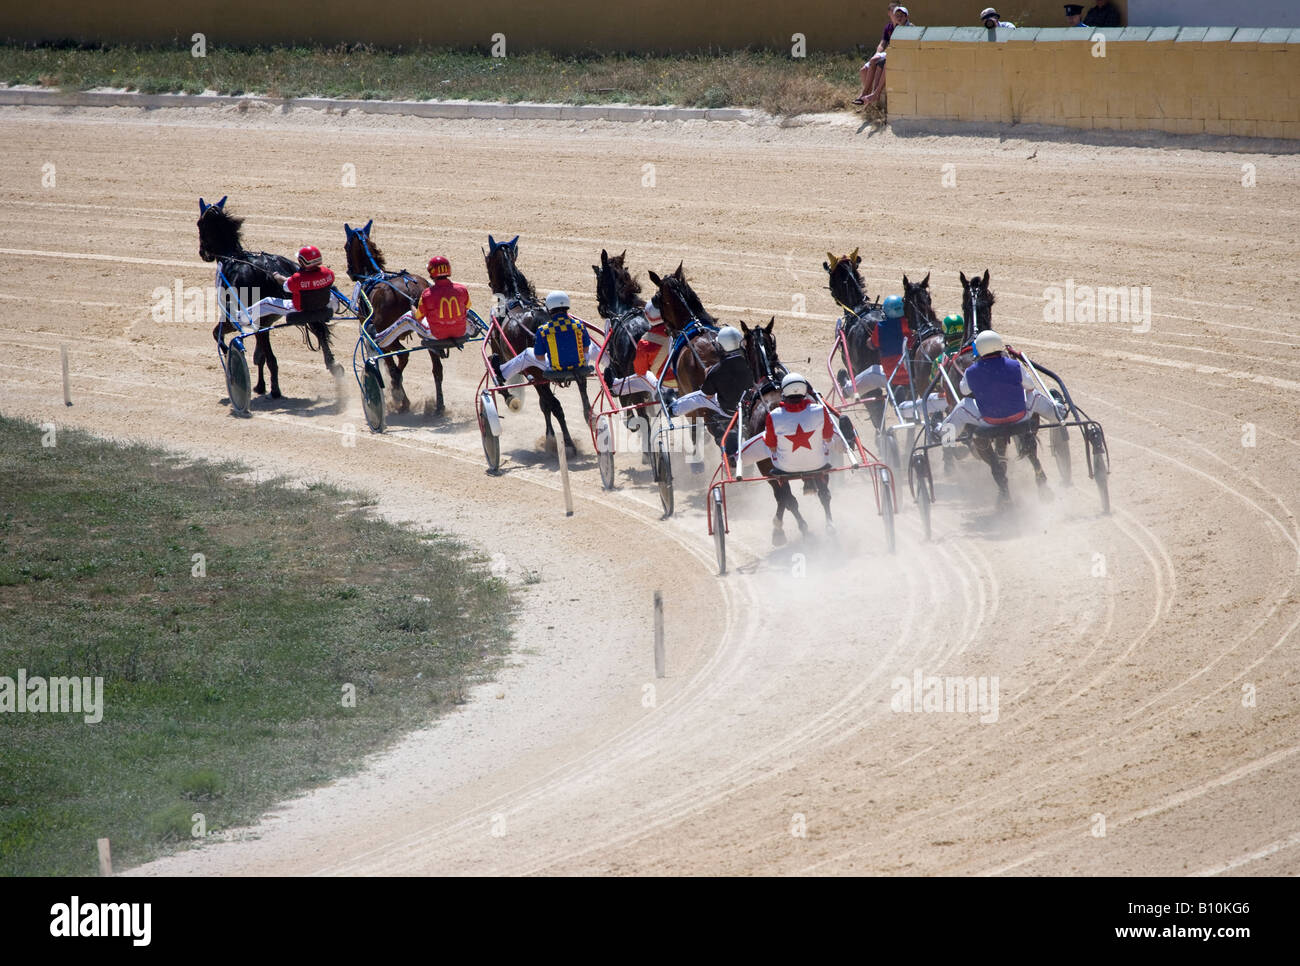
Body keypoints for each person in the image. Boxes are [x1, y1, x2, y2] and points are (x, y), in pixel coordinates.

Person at [937, 330, 1066, 442]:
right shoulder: (1014, 365)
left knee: (963, 405)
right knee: (1035, 395)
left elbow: (964, 391)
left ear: (979, 349)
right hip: (1020, 417)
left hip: (989, 421)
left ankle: (943, 433)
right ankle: (1059, 412)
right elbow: (1030, 386)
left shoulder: (971, 371)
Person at [740, 372, 845, 474]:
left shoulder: (773, 415)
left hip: (784, 467)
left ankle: (736, 459)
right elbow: (828, 438)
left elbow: (772, 447)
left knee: (764, 439)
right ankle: (845, 445)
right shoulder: (820, 410)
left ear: (784, 391)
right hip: (820, 463)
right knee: (825, 436)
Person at [493, 290, 594, 383]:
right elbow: (585, 349)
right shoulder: (579, 325)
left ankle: (502, 373)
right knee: (593, 346)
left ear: (549, 308)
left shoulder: (544, 330)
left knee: (527, 353)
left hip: (556, 368)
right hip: (581, 365)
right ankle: (609, 365)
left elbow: (539, 356)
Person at [372, 255, 471, 348]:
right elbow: (467, 307)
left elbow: (418, 317)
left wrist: (412, 307)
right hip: (460, 332)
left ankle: (380, 340)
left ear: (431, 273)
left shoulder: (428, 294)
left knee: (408, 316)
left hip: (435, 334)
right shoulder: (462, 289)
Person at [241, 245, 337, 324]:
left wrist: (278, 276)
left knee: (267, 302)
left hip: (299, 309)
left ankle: (239, 317)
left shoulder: (298, 278)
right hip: (322, 306)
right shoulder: (328, 273)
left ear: (302, 262)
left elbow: (286, 287)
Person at [607, 297, 671, 398]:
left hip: (665, 385)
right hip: (682, 379)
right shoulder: (677, 331)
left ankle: (614, 387)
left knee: (643, 376)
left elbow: (640, 371)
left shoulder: (645, 342)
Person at [850, 294, 913, 395]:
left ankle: (847, 389)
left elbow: (872, 345)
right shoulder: (910, 325)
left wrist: (870, 340)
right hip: (912, 374)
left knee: (872, 372)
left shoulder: (881, 327)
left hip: (892, 376)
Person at [856, 4, 911, 107]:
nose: (898, 17)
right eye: (897, 15)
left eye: (901, 16)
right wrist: (879, 52)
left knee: (885, 64)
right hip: (892, 54)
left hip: (902, 56)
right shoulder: (896, 28)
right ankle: (868, 95)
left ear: (906, 16)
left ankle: (875, 94)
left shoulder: (910, 28)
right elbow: (885, 43)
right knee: (874, 64)